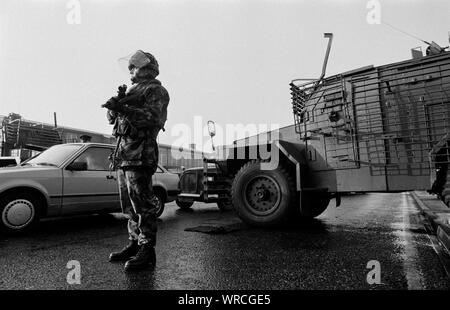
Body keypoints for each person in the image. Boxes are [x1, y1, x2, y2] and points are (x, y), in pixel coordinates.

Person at [102, 50, 169, 271]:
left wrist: (124, 107)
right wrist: (115, 107)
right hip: (124, 155)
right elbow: (116, 123)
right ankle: (134, 243)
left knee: (143, 204)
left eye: (135, 67)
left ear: (148, 69)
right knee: (128, 206)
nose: (131, 70)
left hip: (141, 154)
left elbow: (153, 118)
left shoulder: (156, 90)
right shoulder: (132, 91)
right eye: (130, 67)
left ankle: (147, 250)